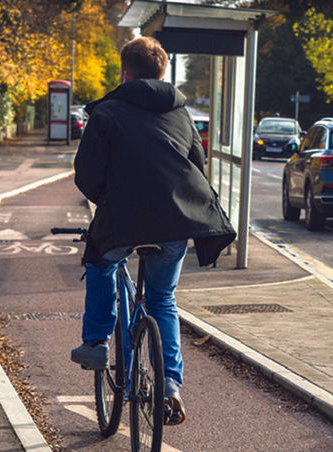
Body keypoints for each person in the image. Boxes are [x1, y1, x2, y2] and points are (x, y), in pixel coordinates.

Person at [72, 36, 235, 424]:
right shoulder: (181, 113)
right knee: (162, 300)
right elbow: (198, 164)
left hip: (125, 219)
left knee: (101, 264)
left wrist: (106, 200)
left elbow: (87, 175)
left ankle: (96, 344)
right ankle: (170, 387)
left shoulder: (108, 111)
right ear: (163, 73)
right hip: (177, 219)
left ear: (125, 73)